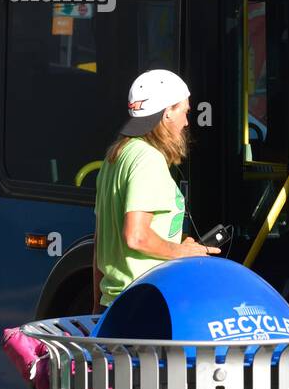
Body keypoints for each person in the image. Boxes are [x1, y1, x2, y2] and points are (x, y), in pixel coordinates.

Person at [93, 69, 218, 308]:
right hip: (145, 301)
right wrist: (183, 252)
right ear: (167, 113)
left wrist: (96, 306)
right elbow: (136, 236)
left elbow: (100, 243)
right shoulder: (148, 159)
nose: (187, 122)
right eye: (184, 111)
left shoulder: (115, 157)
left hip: (117, 303)